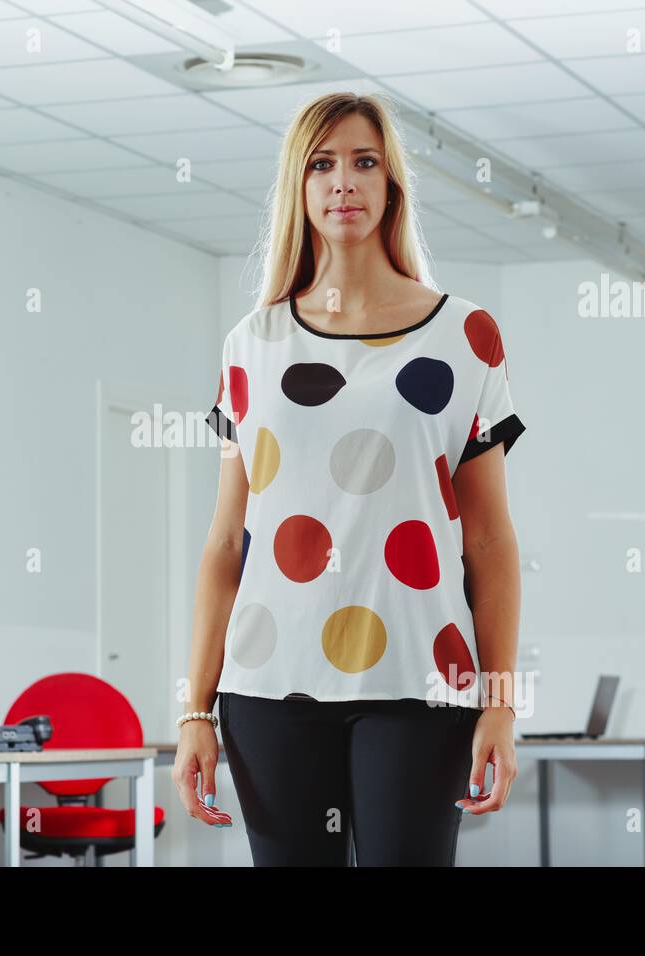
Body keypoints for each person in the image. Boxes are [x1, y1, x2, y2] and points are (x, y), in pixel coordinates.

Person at [171, 92, 525, 866]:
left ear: (392, 184)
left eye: (365, 162)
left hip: (421, 681)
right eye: (322, 165)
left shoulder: (467, 335)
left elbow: (492, 542)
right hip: (269, 686)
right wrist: (193, 710)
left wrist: (500, 703)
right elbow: (226, 542)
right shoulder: (251, 345)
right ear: (299, 188)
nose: (344, 182)